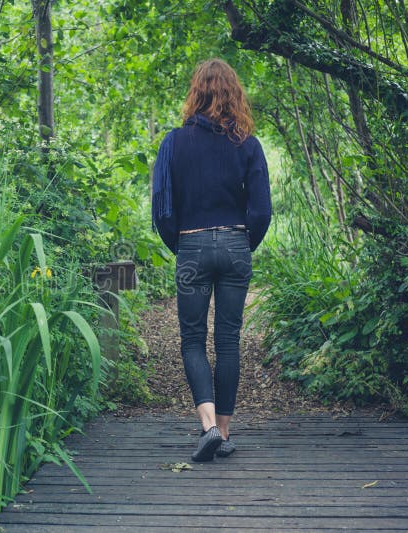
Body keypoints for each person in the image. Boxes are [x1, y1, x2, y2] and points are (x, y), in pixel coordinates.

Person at [152, 58, 272, 462]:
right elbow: (261, 211)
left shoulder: (173, 143)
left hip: (192, 246)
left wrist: (184, 245)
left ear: (195, 93)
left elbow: (162, 210)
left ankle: (206, 427)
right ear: (234, 94)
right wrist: (241, 245)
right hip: (237, 244)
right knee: (228, 342)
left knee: (191, 340)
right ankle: (223, 430)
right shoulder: (249, 145)